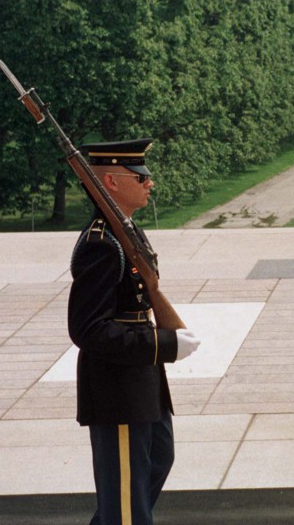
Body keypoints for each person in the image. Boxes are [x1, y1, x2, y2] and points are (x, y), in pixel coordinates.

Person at [68, 138, 200, 525]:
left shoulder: (125, 232)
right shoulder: (103, 245)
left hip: (141, 384)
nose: (149, 182)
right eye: (139, 176)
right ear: (110, 181)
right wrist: (165, 343)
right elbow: (88, 329)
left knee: (157, 460)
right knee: (126, 506)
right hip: (118, 390)